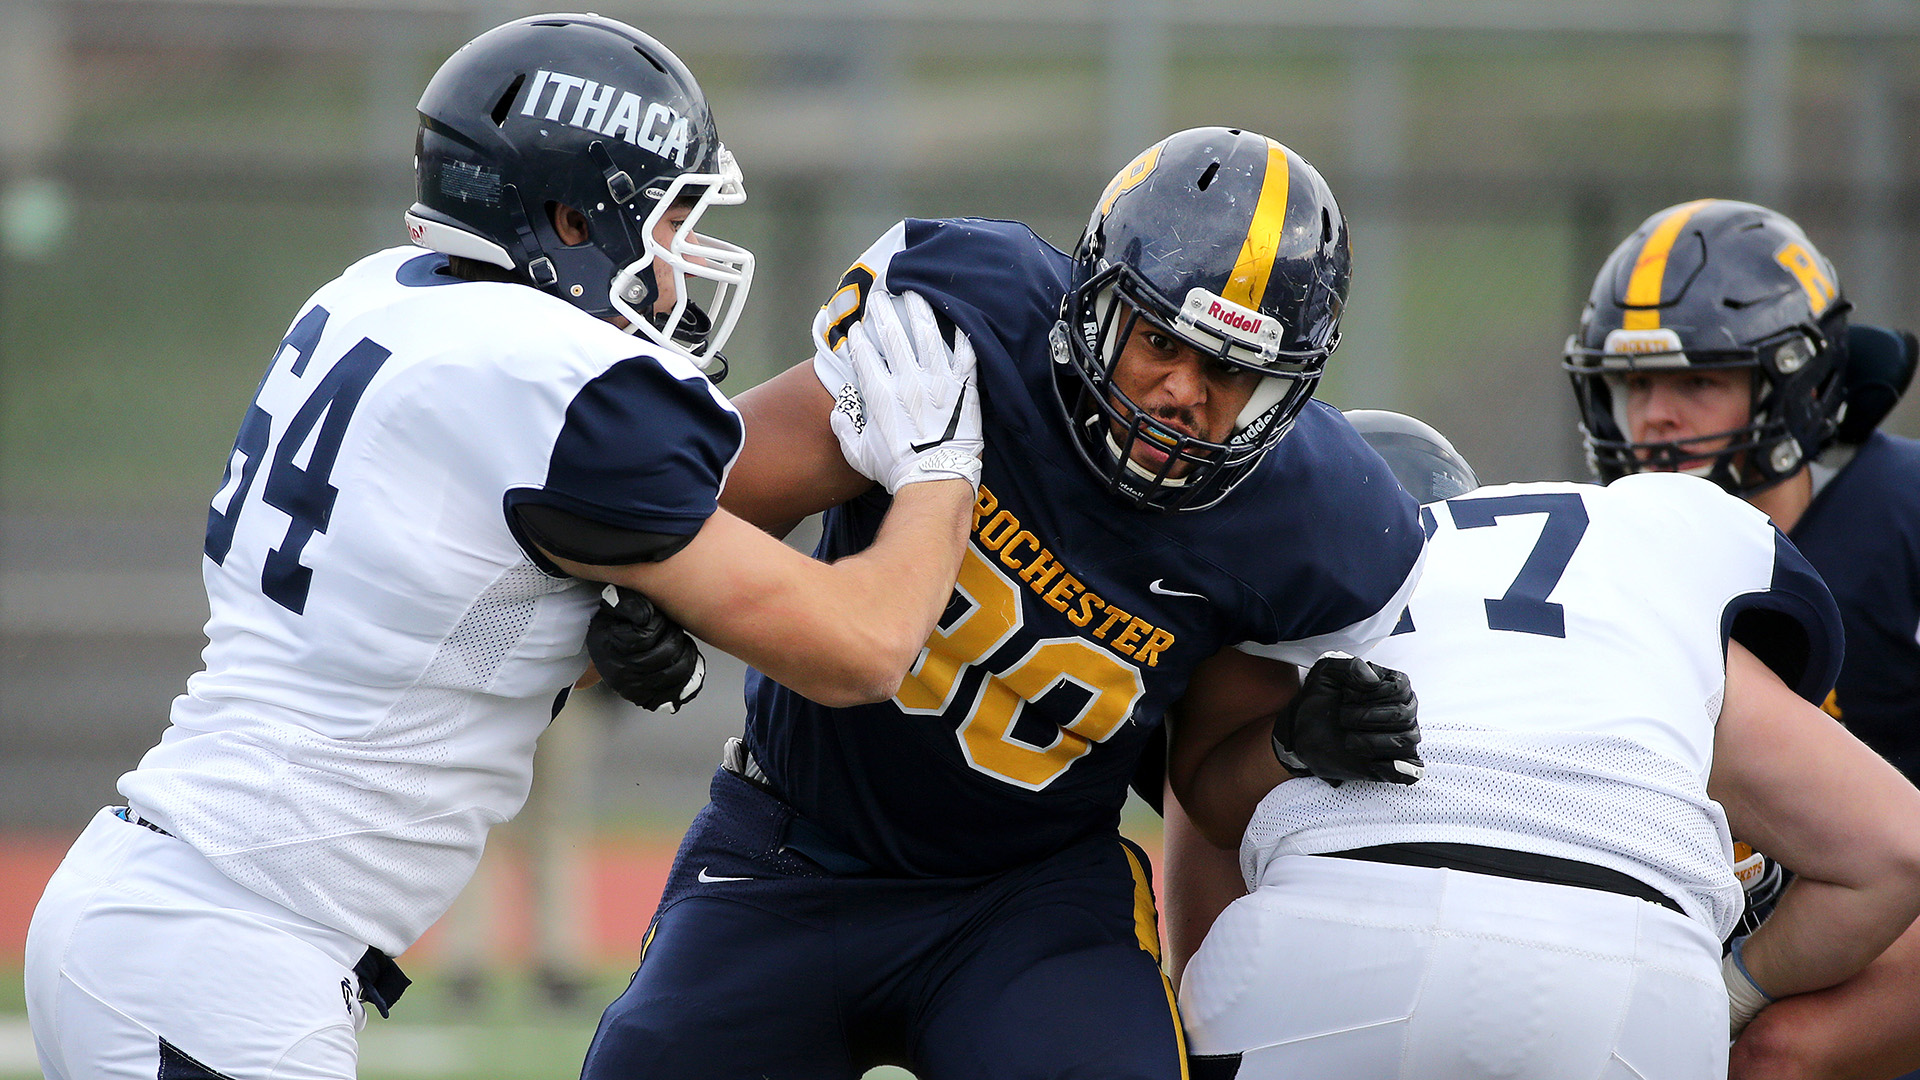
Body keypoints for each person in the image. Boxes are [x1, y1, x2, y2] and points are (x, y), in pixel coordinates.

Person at [23, 14, 984, 1080]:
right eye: (668, 221)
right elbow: (863, 647)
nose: (680, 265)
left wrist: (578, 635)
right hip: (230, 950)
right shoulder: (559, 379)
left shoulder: (374, 293)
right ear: (574, 219)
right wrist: (941, 467)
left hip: (171, 901)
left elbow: (446, 606)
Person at [578, 126, 1429, 1080]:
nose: (1181, 392)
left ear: (1284, 387)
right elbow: (701, 503)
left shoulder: (1312, 521)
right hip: (791, 847)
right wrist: (654, 607)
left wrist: (1289, 748)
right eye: (1159, 340)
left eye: (1229, 370)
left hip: (1028, 900)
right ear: (1094, 303)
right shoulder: (967, 324)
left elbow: (1204, 791)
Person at [1164, 410, 1920, 1080]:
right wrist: (1727, 997)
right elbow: (1899, 850)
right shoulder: (1630, 578)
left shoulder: (1290, 565)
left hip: (1327, 955)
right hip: (1634, 981)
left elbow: (1202, 865)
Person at [1563, 199, 1920, 1080]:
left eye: (1697, 382)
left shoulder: (1901, 518)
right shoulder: (1603, 550)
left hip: (1889, 896)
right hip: (1733, 918)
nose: (1655, 417)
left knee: (1772, 1057)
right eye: (1635, 385)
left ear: (1796, 385)